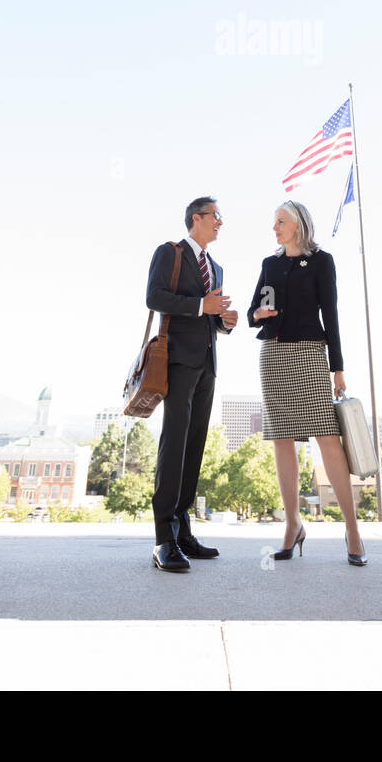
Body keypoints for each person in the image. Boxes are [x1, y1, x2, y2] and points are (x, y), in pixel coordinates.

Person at [247, 200, 367, 566]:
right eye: (274, 222)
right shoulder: (270, 264)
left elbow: (330, 312)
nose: (275, 228)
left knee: (328, 438)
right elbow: (255, 312)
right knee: (281, 439)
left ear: (298, 225)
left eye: (280, 221)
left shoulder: (321, 262)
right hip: (274, 355)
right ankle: (293, 524)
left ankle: (352, 529)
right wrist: (259, 313)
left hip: (311, 354)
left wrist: (338, 367)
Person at [146, 196, 238, 572]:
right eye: (216, 216)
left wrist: (224, 321)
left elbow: (211, 317)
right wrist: (203, 306)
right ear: (196, 218)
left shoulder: (216, 267)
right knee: (175, 444)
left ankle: (183, 530)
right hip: (178, 362)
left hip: (207, 366)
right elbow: (154, 297)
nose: (221, 222)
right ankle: (163, 539)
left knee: (195, 446)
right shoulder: (170, 253)